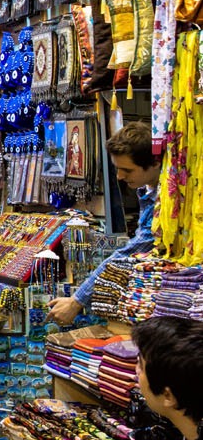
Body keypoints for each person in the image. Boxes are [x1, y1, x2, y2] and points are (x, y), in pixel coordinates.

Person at [49, 121, 161, 325]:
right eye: (117, 169)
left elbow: (131, 252)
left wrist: (77, 300)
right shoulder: (147, 191)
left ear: (155, 163)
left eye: (127, 170)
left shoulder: (166, 201)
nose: (119, 176)